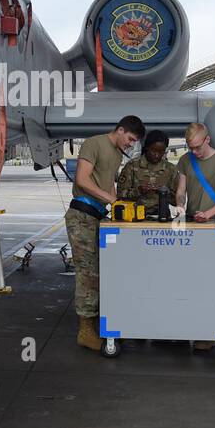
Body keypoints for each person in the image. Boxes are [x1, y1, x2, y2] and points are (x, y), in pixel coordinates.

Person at [65, 115, 145, 351]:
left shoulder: (117, 153)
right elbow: (82, 179)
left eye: (134, 142)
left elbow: (108, 181)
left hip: (98, 216)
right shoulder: (94, 143)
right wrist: (112, 200)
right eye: (130, 139)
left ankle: (99, 323)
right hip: (82, 216)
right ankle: (85, 330)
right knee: (87, 273)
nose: (131, 144)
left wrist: (115, 206)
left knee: (101, 271)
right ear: (120, 130)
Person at [176, 122, 215, 351]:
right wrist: (180, 206)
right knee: (188, 280)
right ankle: (185, 328)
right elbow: (181, 191)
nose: (194, 152)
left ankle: (209, 332)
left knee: (212, 283)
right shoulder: (185, 160)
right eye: (190, 147)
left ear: (207, 140)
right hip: (192, 224)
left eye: (197, 147)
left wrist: (208, 214)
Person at [116, 129, 179, 214]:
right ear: (146, 148)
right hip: (134, 216)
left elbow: (177, 201)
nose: (157, 155)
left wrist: (164, 192)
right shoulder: (132, 166)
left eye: (161, 152)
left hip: (161, 216)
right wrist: (139, 191)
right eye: (153, 151)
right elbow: (120, 196)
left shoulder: (170, 169)